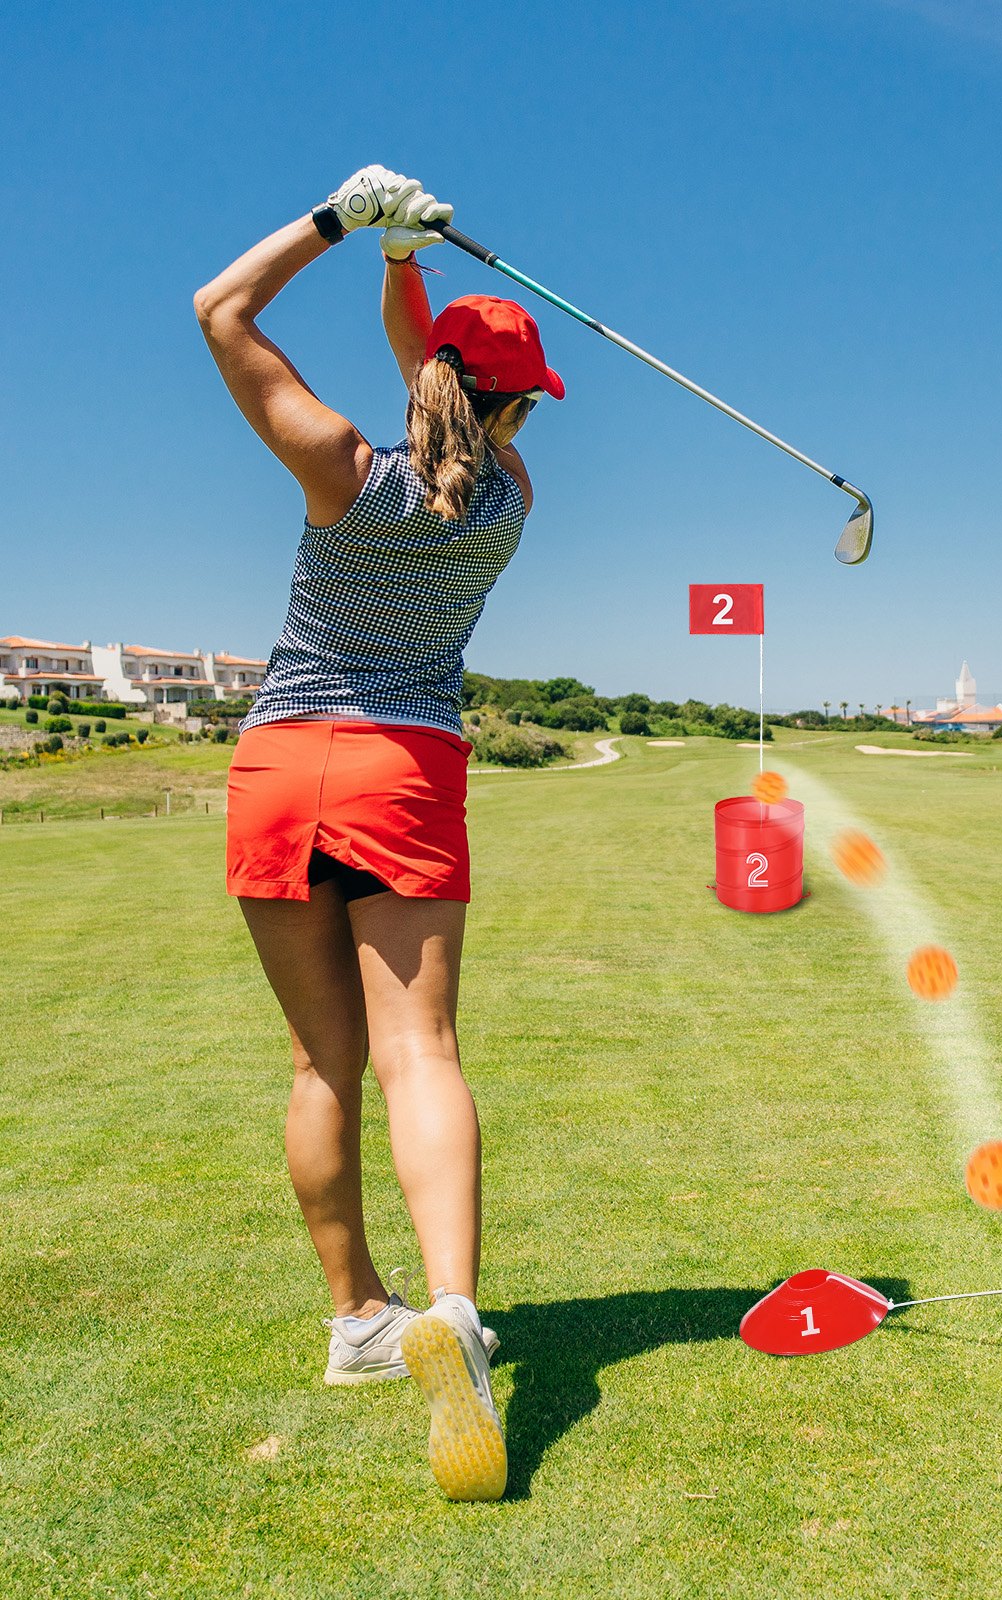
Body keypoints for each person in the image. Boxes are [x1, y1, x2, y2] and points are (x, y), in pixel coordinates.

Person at [194, 165, 565, 1501]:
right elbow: (450, 393)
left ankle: (359, 1320)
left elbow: (220, 313)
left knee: (319, 1062)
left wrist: (347, 226)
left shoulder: (344, 467)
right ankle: (451, 1312)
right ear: (519, 408)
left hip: (285, 764)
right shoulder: (511, 501)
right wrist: (410, 278)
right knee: (422, 1052)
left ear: (426, 387)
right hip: (407, 771)